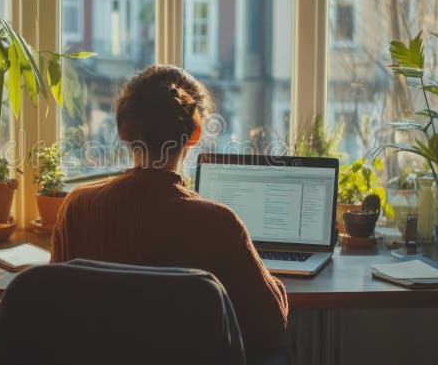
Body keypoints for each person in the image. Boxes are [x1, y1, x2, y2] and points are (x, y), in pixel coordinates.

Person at [51, 65, 288, 363]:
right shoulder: (219, 224)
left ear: (123, 132)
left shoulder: (77, 208)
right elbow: (270, 326)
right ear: (195, 134)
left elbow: (56, 311)